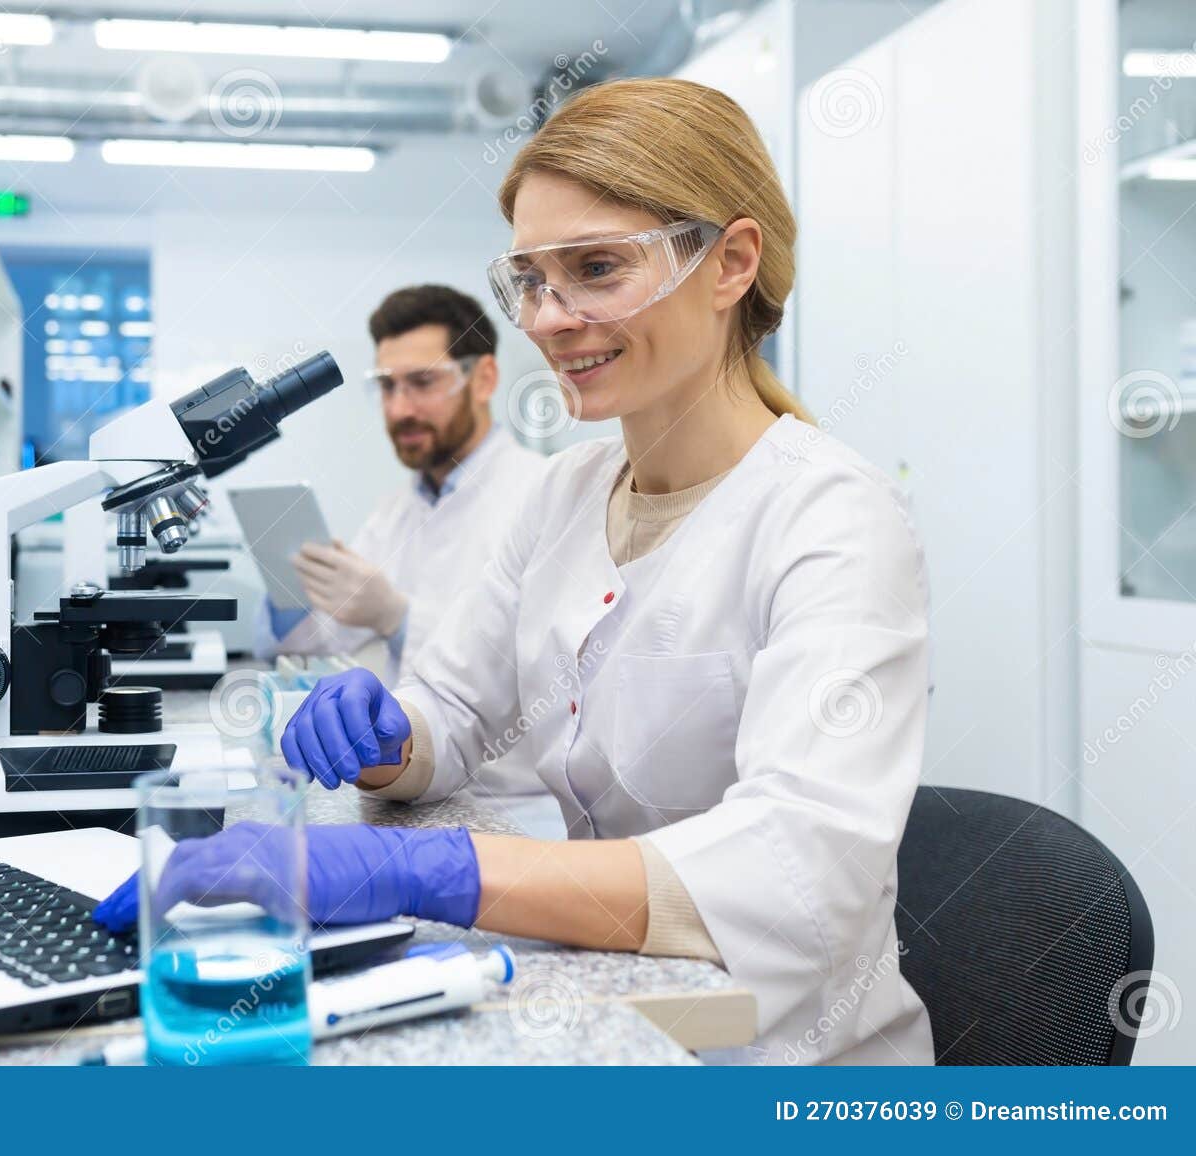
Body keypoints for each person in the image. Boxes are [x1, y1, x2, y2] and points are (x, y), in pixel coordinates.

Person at [98, 77, 933, 1065]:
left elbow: (800, 865)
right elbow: (452, 708)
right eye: (531, 280)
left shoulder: (832, 517)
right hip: (616, 1008)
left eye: (594, 268)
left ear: (731, 263)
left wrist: (433, 866)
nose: (548, 317)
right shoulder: (567, 494)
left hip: (783, 1057)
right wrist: (386, 733)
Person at [255, 284, 558, 834]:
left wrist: (396, 618)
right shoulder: (397, 509)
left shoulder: (541, 494)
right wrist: (287, 584)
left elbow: (531, 671)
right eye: (387, 387)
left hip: (515, 810)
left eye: (422, 382)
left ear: (483, 378)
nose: (400, 409)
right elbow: (323, 635)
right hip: (407, 790)